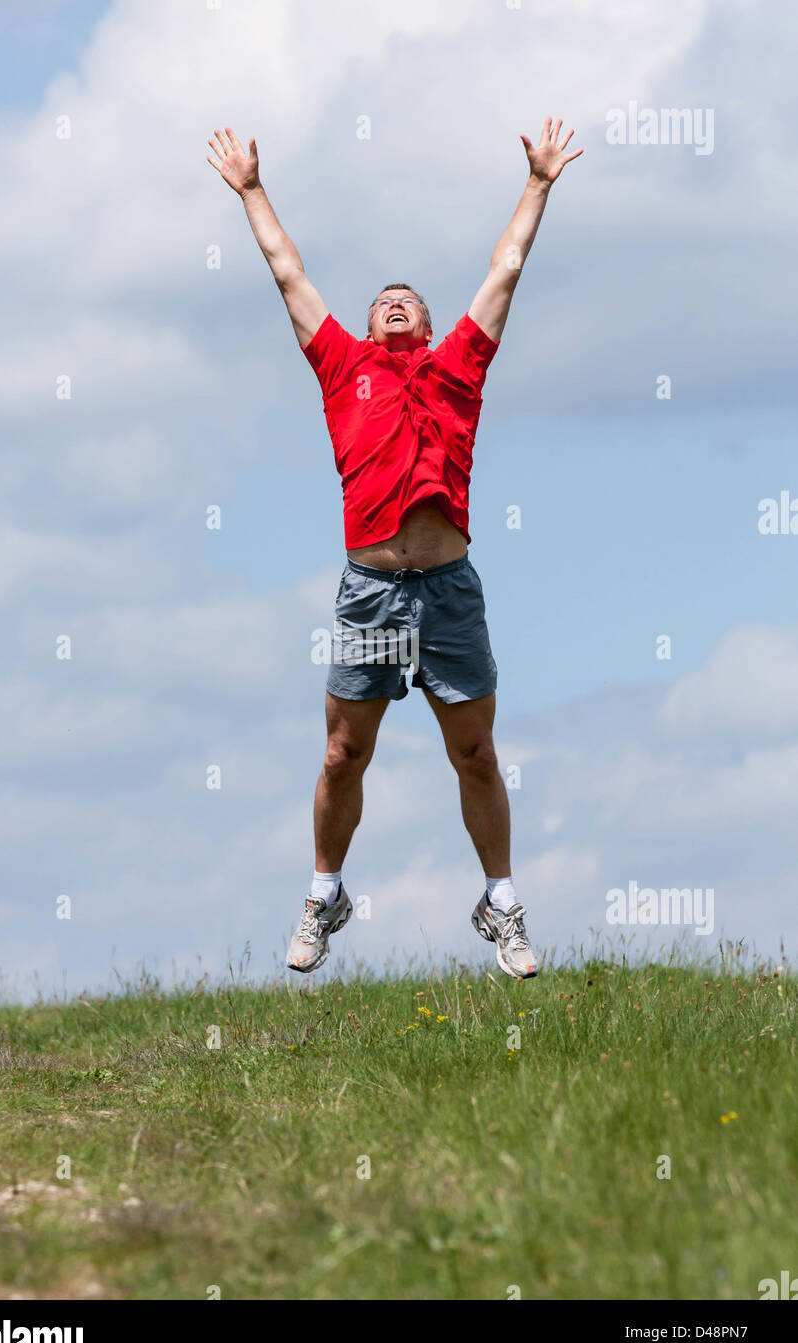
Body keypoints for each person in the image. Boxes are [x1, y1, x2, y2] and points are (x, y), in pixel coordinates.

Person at [207, 118, 582, 978]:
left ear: (431, 320)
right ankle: (324, 893)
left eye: (409, 295)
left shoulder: (459, 366)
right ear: (373, 326)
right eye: (385, 299)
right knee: (345, 752)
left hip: (448, 590)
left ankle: (503, 907)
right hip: (372, 593)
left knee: (476, 752)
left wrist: (539, 182)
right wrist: (251, 189)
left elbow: (508, 269)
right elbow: (287, 272)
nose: (397, 299)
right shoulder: (344, 367)